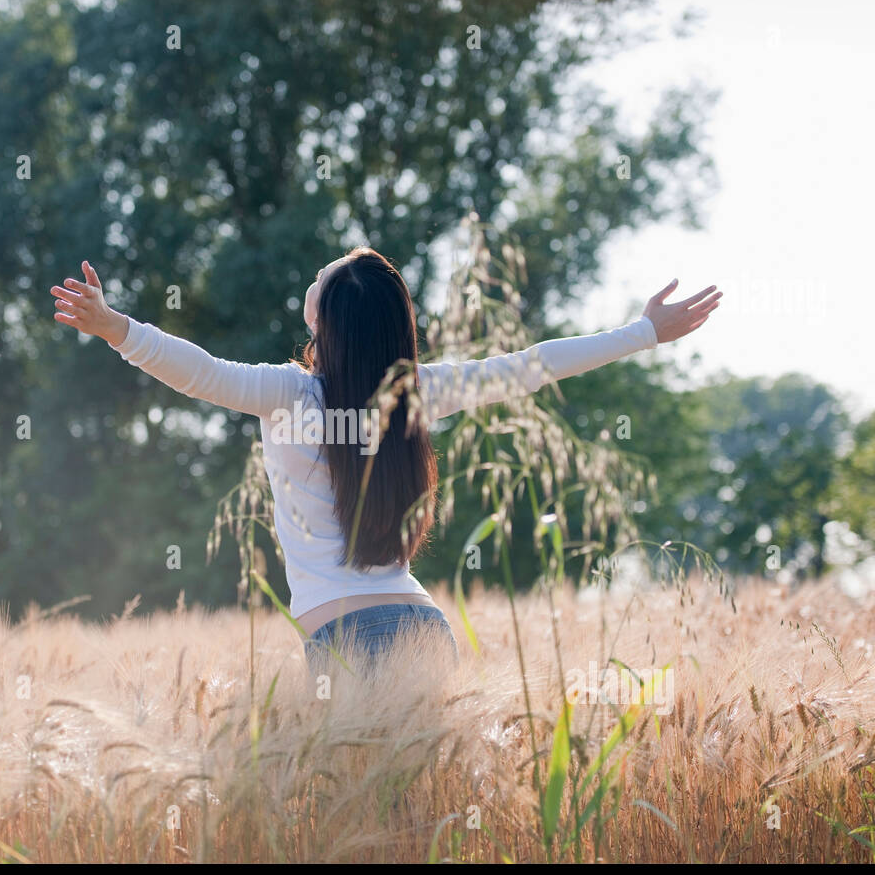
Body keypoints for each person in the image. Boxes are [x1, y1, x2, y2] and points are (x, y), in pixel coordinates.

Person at [50, 248, 720, 678]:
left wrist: (115, 328)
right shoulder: (419, 393)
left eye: (322, 280)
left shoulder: (289, 394)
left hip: (345, 641)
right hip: (426, 631)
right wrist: (645, 333)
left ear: (325, 319)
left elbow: (199, 372)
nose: (315, 279)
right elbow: (532, 367)